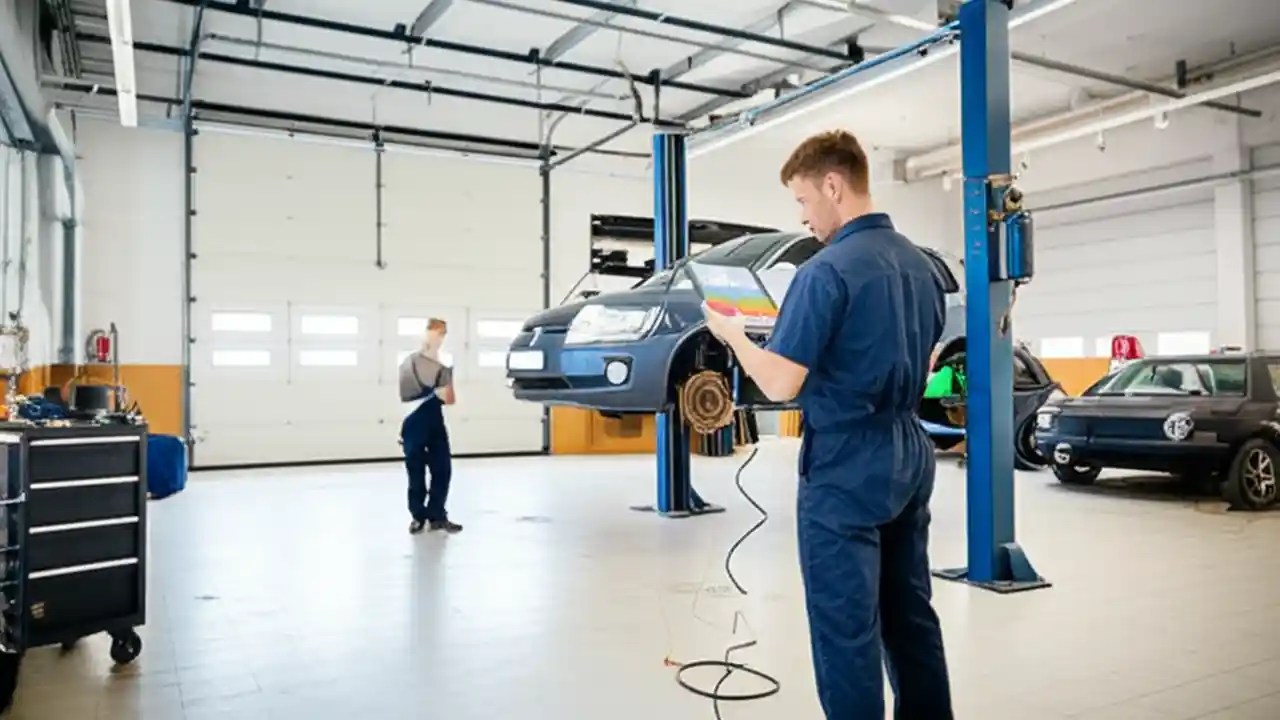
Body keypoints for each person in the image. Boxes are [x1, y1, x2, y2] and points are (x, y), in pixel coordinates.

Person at [701, 130, 953, 719]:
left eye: (803, 199)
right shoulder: (922, 266)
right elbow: (927, 360)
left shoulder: (824, 272)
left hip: (845, 464)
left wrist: (735, 336)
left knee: (846, 629)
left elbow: (780, 383)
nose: (803, 216)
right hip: (909, 452)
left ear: (833, 186)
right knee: (910, 614)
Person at [399, 318, 462, 534]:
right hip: (414, 421)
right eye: (434, 333)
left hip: (434, 419)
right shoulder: (410, 362)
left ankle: (437, 516)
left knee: (442, 469)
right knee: (415, 470)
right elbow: (405, 396)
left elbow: (449, 399)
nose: (438, 338)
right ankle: (418, 516)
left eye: (441, 334)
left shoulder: (444, 362)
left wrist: (446, 378)